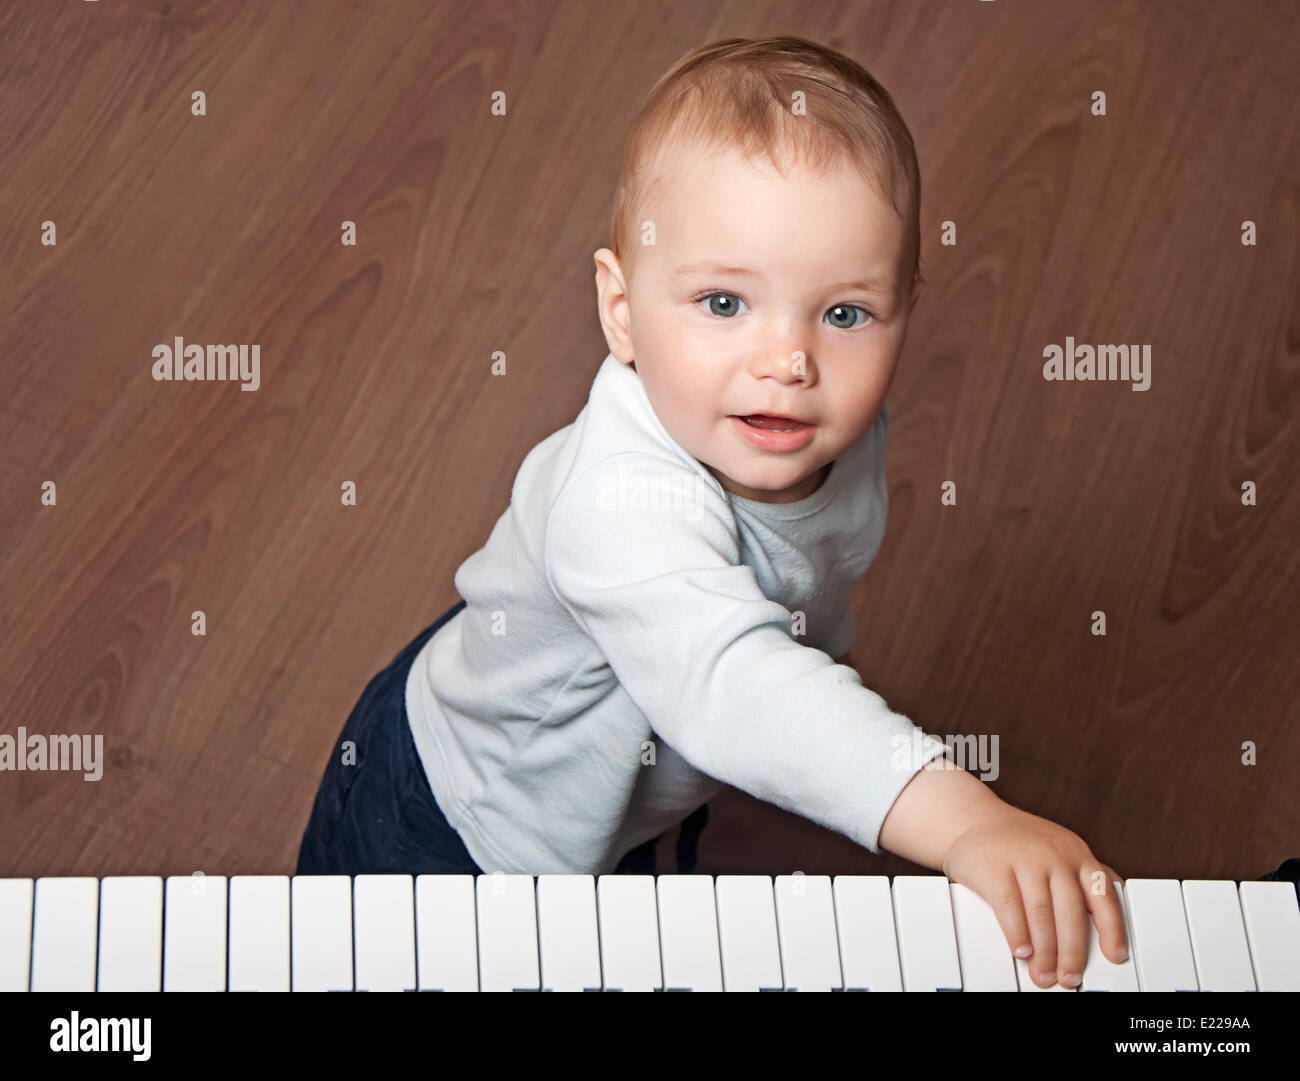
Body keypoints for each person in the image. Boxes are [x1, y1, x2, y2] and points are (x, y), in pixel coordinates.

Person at [298, 35, 1128, 990]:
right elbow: (733, 683)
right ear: (621, 309)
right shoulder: (615, 502)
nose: (788, 361)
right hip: (463, 819)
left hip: (630, 769)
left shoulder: (825, 419)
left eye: (845, 313)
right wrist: (963, 816)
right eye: (724, 302)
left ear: (905, 307)